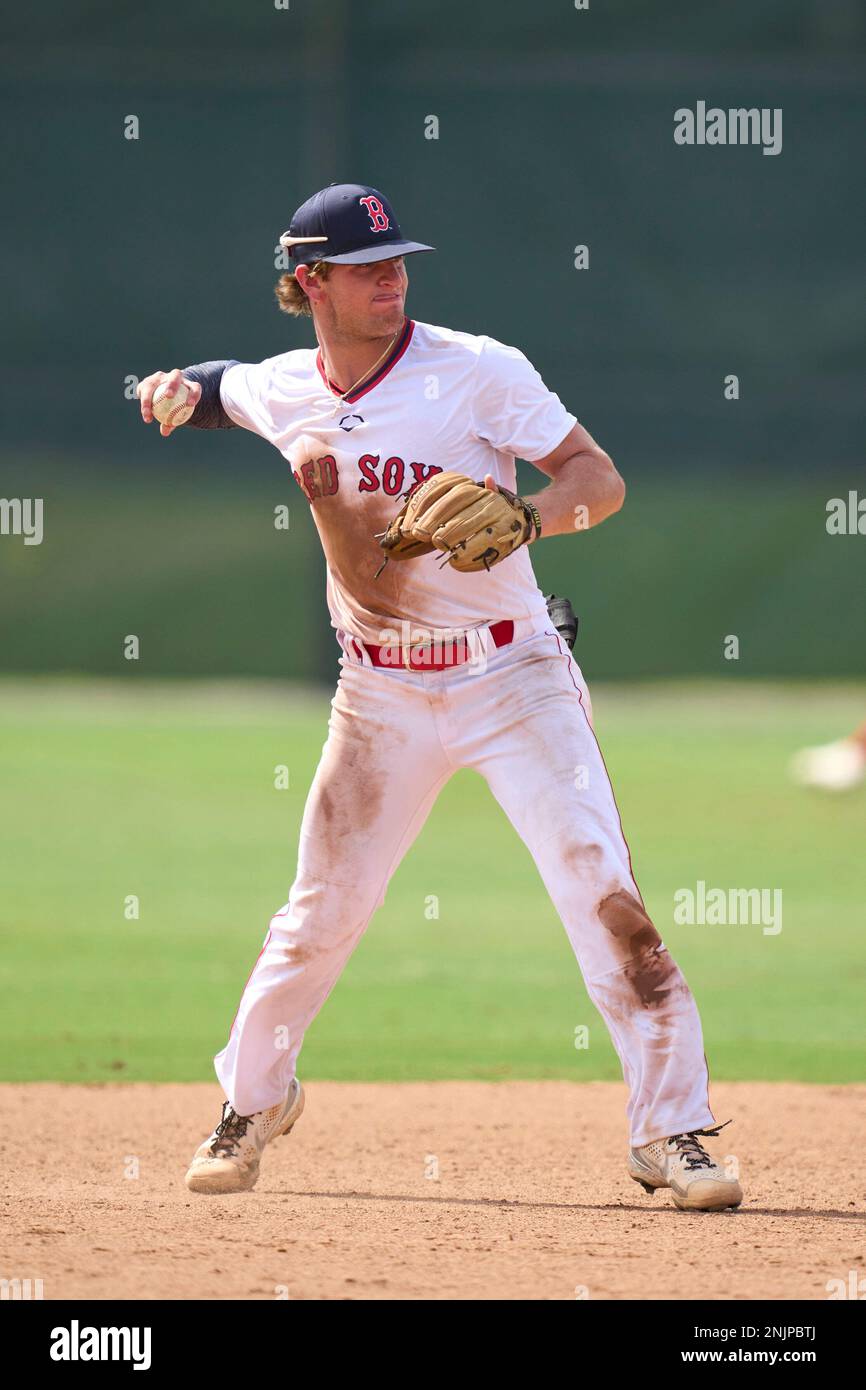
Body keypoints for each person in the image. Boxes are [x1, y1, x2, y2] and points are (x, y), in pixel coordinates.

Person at [138, 182, 742, 1212]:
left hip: (513, 676)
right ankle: (253, 1100)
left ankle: (672, 1131)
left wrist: (532, 519)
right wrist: (164, 391)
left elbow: (597, 478)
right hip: (378, 695)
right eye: (367, 266)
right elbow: (216, 384)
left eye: (398, 260)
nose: (393, 278)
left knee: (605, 899)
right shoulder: (289, 389)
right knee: (318, 914)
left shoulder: (476, 370)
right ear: (308, 282)